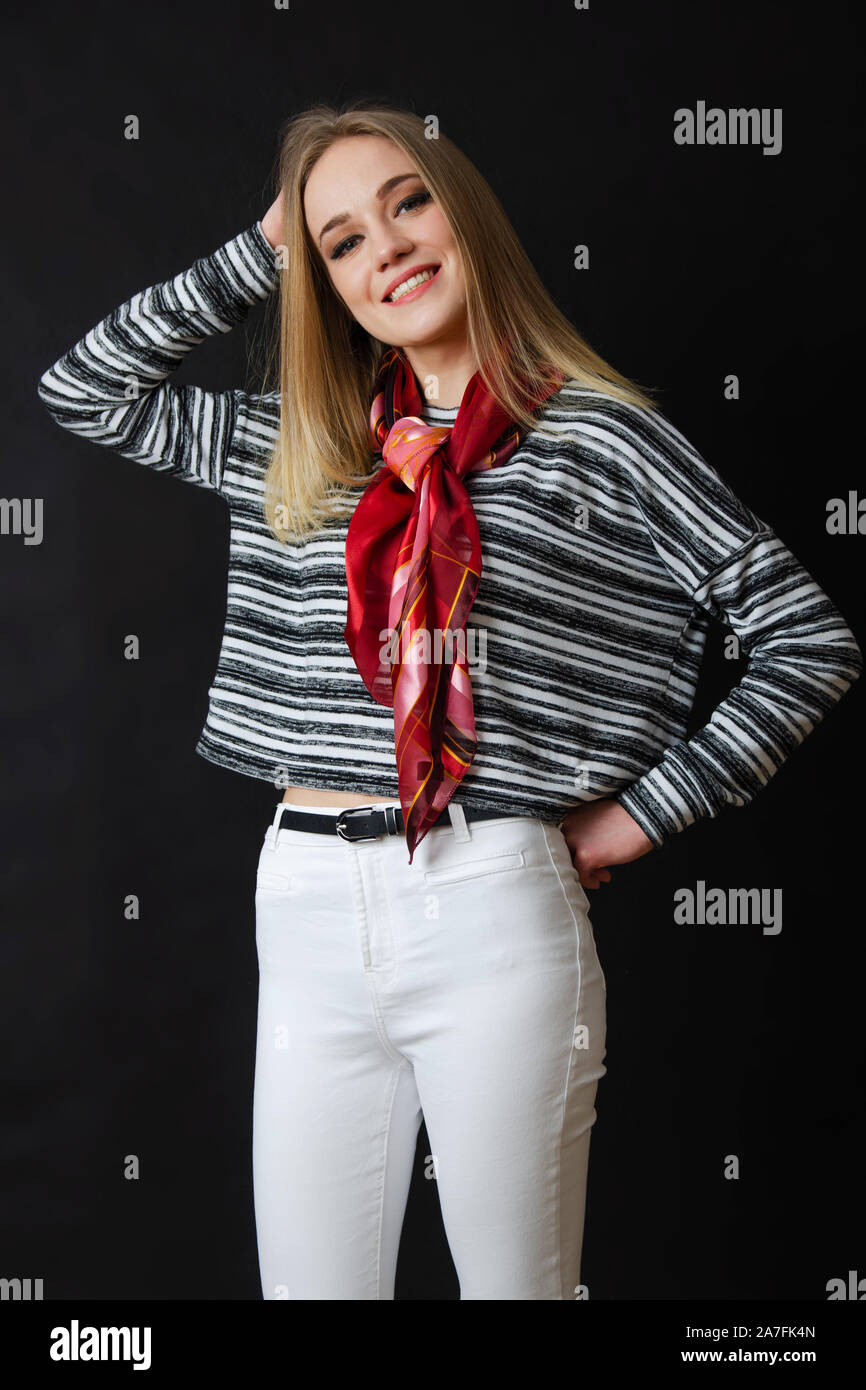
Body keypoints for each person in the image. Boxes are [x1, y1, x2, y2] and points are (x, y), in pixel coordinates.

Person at [37, 101, 861, 1301]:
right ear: (319, 279)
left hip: (491, 903)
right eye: (341, 240)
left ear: (464, 217)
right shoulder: (300, 443)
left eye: (408, 203)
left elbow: (803, 636)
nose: (389, 248)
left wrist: (631, 820)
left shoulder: (601, 438)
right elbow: (86, 389)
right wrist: (258, 245)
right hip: (306, 898)